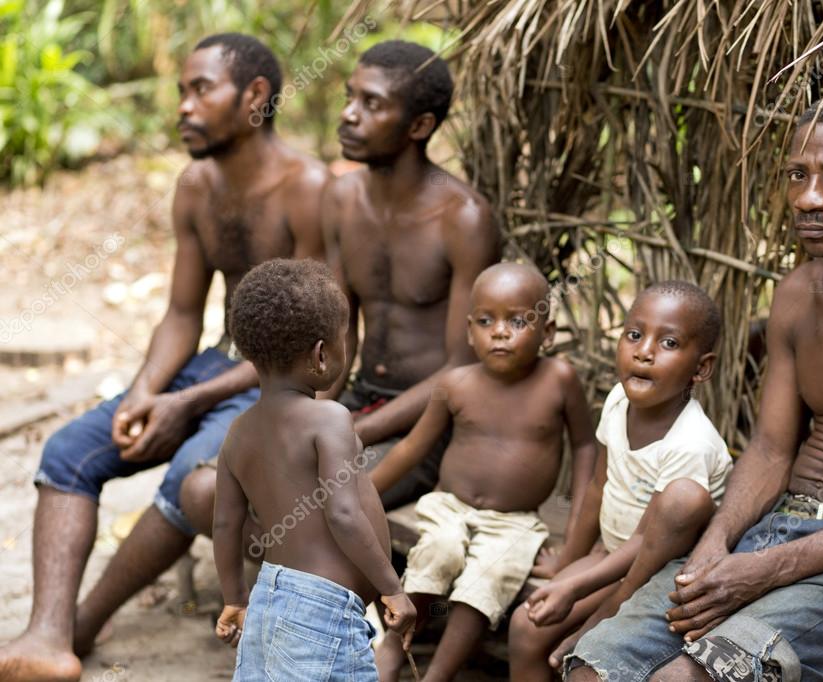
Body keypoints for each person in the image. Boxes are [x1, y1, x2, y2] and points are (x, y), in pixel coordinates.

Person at [565, 90, 823, 682]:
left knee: (687, 676)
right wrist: (716, 542)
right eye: (798, 175)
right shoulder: (797, 294)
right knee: (596, 663)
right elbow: (770, 450)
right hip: (771, 534)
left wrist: (771, 569)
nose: (809, 198)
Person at [0, 33, 329, 681]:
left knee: (188, 475)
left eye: (200, 89)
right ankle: (45, 635)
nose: (182, 105)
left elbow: (308, 344)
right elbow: (181, 313)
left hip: (284, 385)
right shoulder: (196, 186)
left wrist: (186, 402)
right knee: (67, 452)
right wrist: (146, 392)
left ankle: (79, 628)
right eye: (181, 91)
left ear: (255, 95)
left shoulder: (310, 190)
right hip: (214, 365)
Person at [369, 262, 597, 681]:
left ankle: (438, 675)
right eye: (486, 321)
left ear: (547, 333)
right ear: (470, 332)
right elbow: (412, 448)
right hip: (448, 506)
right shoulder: (455, 383)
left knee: (488, 579)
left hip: (515, 521)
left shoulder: (559, 380)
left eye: (518, 321)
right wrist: (361, 494)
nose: (500, 332)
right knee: (439, 552)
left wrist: (574, 543)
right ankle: (394, 647)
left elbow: (585, 447)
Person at [509, 281, 733, 681]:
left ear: (701, 368)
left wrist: (576, 587)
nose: (644, 351)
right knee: (527, 626)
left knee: (582, 644)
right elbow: (599, 486)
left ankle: (596, 621)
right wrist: (568, 562)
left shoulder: (690, 444)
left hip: (659, 578)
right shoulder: (618, 400)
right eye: (633, 335)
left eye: (668, 343)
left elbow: (648, 542)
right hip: (611, 556)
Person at [212, 258, 416, 681]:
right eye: (344, 339)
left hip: (266, 600)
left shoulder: (238, 431)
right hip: (323, 617)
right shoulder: (329, 418)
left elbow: (225, 525)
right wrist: (392, 588)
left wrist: (235, 599)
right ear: (321, 355)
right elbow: (343, 514)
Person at [324, 39, 501, 508]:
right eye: (350, 96)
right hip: (361, 398)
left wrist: (358, 431)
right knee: (220, 485)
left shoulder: (464, 219)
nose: (348, 114)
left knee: (323, 504)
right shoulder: (341, 199)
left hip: (433, 420)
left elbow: (462, 366)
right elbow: (340, 331)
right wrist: (316, 415)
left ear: (419, 126)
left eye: (371, 103)